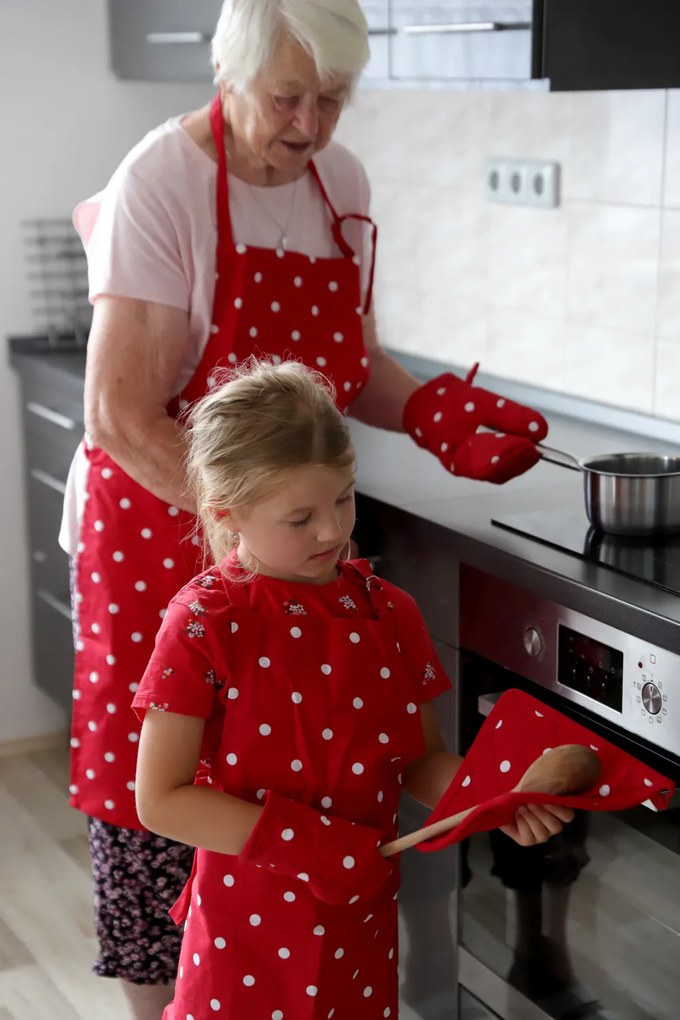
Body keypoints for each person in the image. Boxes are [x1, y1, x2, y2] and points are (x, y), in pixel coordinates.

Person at [59, 1, 549, 1015]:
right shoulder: (163, 182)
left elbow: (345, 362)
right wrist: (240, 549)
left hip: (275, 525)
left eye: (333, 99)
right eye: (288, 97)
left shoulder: (344, 184)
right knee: (170, 816)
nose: (310, 127)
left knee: (304, 772)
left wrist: (428, 407)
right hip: (165, 526)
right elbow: (118, 410)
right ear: (227, 74)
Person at [132, 359, 571, 1020]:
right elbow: (159, 800)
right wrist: (312, 846)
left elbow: (419, 761)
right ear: (229, 513)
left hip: (358, 922)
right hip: (245, 925)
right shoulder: (203, 623)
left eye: (343, 497)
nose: (334, 530)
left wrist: (491, 799)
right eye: (300, 516)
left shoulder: (389, 613)